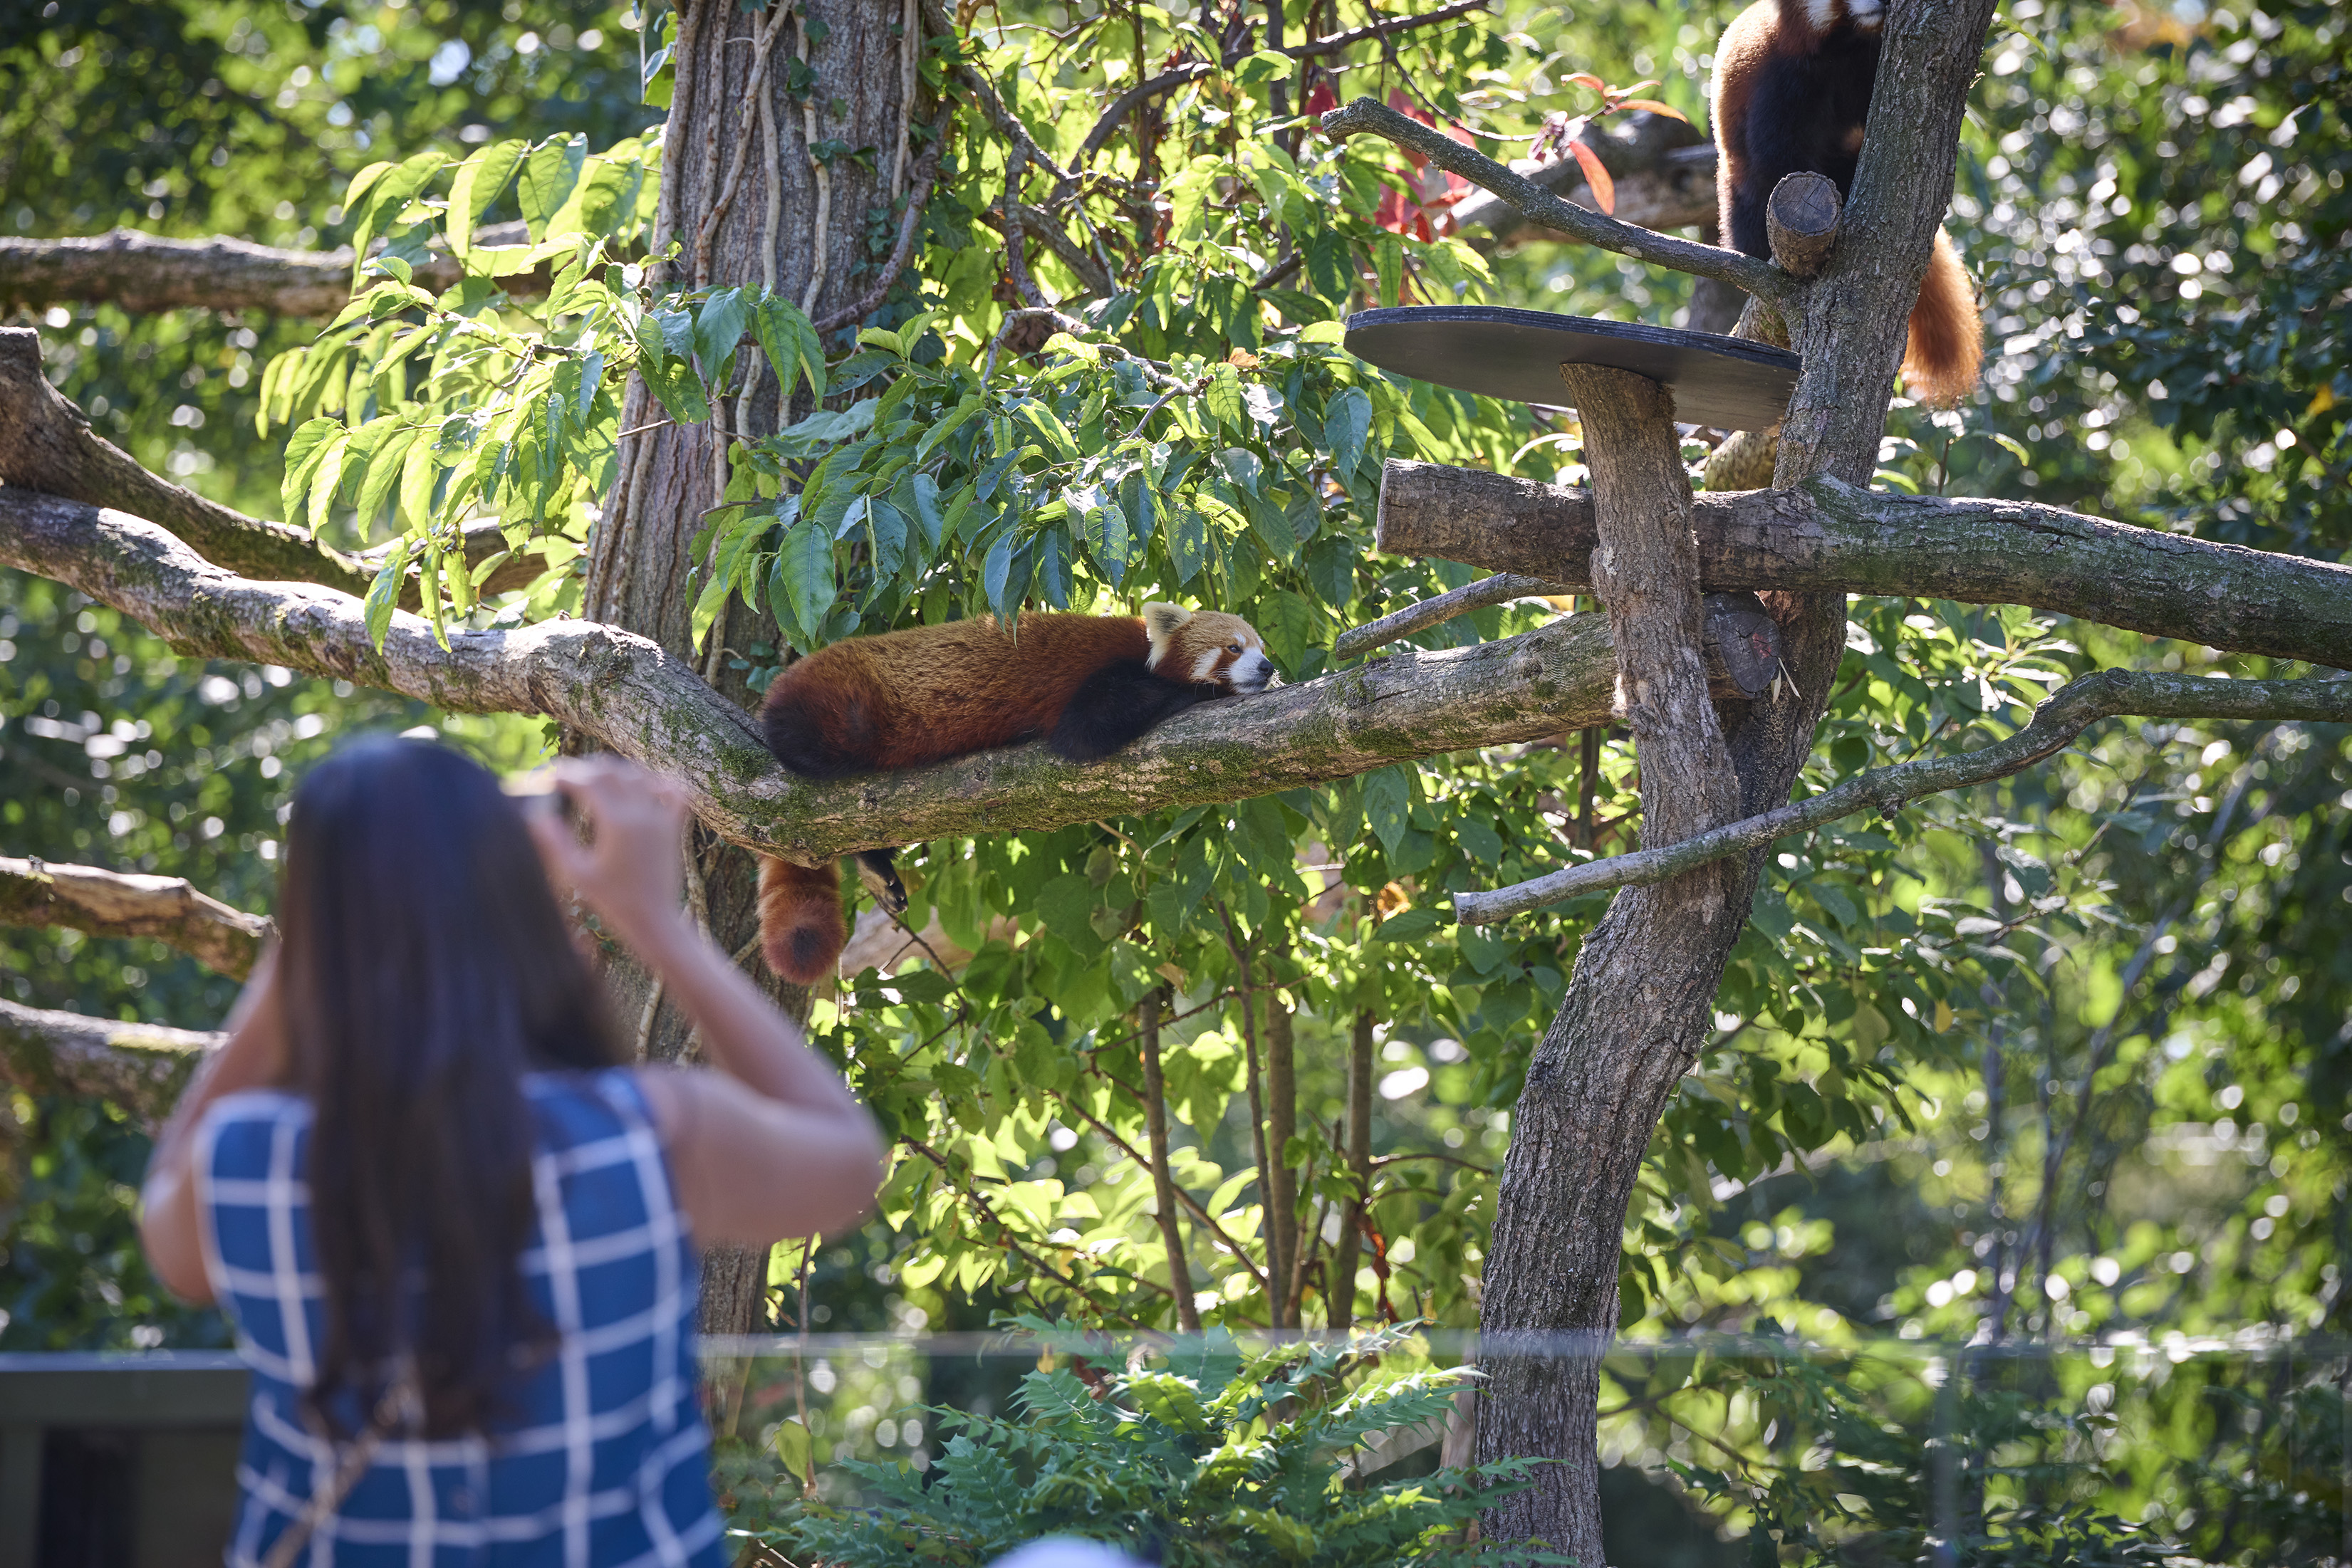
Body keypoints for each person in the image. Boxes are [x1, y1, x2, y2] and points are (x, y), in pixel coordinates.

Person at [138, 740, 886, 1567]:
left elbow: (170, 1244)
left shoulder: (249, 1162)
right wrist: (655, 925)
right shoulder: (652, 1136)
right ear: (516, 903)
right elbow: (849, 1164)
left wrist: (320, 927)